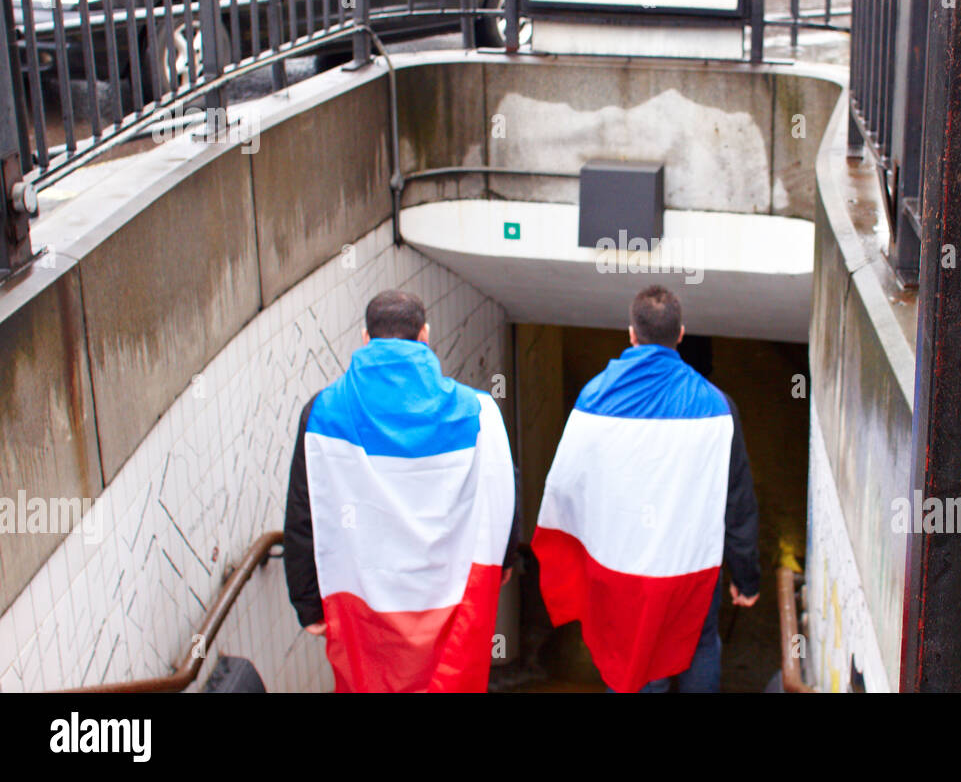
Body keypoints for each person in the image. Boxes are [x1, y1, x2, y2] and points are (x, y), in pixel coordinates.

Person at [283, 289, 518, 692]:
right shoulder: (478, 412)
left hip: (366, 604)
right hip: (448, 593)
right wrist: (505, 559)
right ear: (425, 335)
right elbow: (501, 489)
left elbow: (304, 510)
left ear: (365, 338)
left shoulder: (322, 412)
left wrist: (307, 603)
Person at [532, 285, 761, 692]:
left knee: (638, 659)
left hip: (623, 570)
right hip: (691, 567)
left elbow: (567, 486)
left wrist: (577, 558)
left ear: (632, 334)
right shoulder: (717, 406)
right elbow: (737, 499)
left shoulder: (594, 399)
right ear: (681, 335)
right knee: (700, 644)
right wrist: (746, 577)